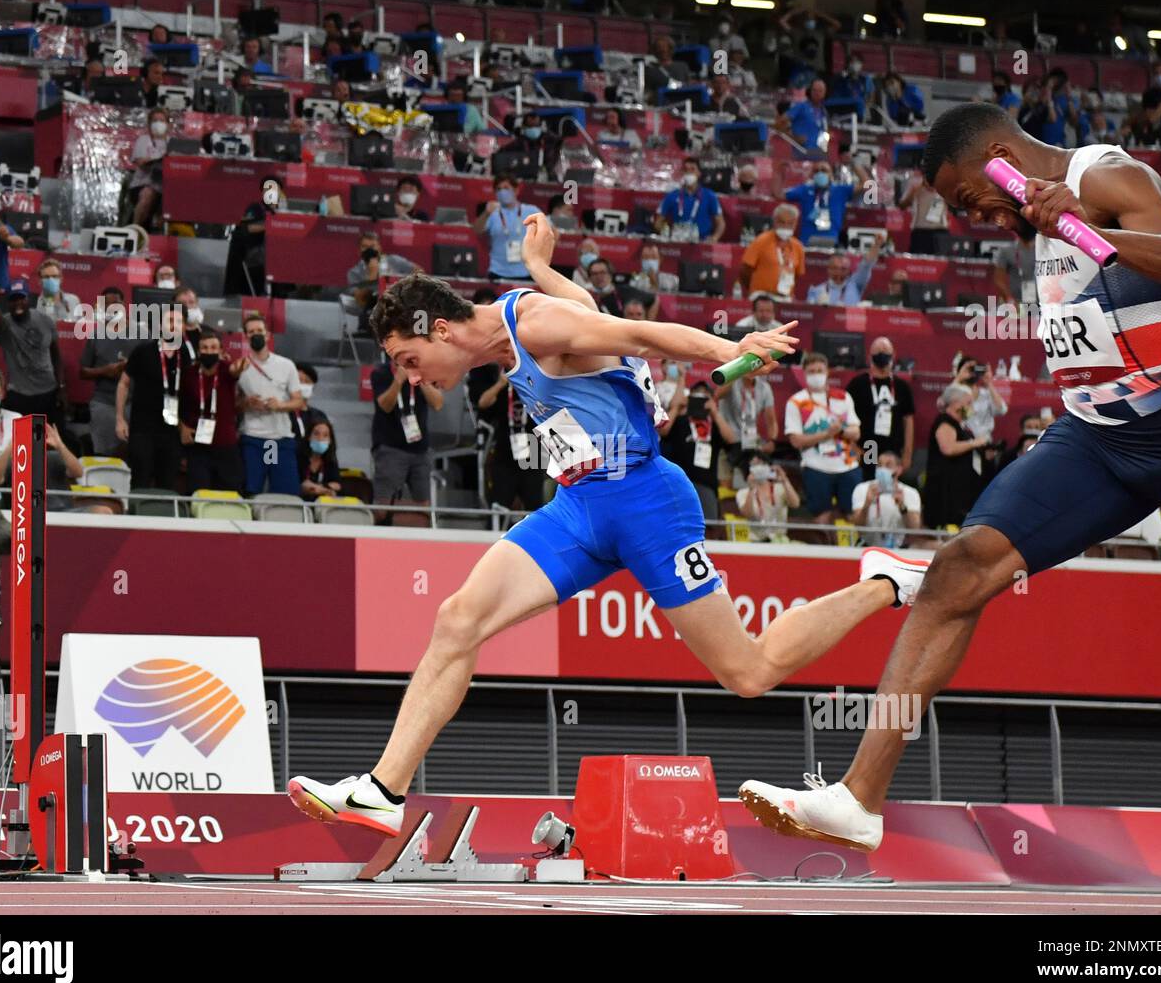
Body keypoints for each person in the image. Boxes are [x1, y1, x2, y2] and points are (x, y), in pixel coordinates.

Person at [285, 214, 928, 835]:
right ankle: (382, 792)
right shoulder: (520, 318)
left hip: (647, 501)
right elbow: (586, 308)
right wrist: (540, 264)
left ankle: (883, 582)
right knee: (459, 617)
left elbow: (640, 335)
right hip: (579, 506)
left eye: (408, 358)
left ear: (443, 330)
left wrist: (730, 348)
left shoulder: (533, 324)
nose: (412, 375)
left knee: (750, 674)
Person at [740, 100, 1161, 851]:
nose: (977, 219)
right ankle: (858, 799)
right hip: (1094, 437)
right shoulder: (1036, 217)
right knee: (957, 571)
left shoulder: (1102, 174)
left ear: (1003, 154)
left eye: (971, 198)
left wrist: (1090, 230)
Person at [783, 352, 862, 524]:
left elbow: (856, 432)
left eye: (820, 370)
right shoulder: (796, 402)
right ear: (804, 374)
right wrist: (826, 434)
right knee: (822, 516)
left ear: (827, 372)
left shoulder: (843, 396)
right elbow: (796, 440)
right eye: (812, 371)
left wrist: (839, 430)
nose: (816, 375)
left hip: (847, 466)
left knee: (853, 515)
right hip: (815, 467)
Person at [116, 304, 185, 492]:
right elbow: (123, 383)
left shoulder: (188, 354)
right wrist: (120, 419)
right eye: (170, 321)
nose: (174, 326)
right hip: (142, 429)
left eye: (179, 321)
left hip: (172, 432)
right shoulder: (143, 350)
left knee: (168, 483)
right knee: (140, 480)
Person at [370, 352, 444, 519]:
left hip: (420, 449)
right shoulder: (381, 373)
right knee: (382, 506)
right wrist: (398, 380)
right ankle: (380, 535)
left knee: (423, 504)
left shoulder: (425, 373)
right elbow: (385, 406)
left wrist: (419, 378)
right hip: (390, 446)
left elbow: (438, 403)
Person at [237, 314, 304, 496]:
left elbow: (299, 400)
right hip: (252, 438)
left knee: (283, 492)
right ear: (245, 336)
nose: (256, 334)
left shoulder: (286, 365)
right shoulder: (239, 367)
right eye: (251, 332)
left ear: (268, 335)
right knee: (252, 490)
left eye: (259, 330)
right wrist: (247, 403)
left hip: (278, 440)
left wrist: (280, 405)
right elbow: (233, 403)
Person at [469, 362, 546, 514]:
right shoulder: (489, 375)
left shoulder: (531, 375)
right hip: (505, 447)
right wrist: (501, 383)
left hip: (534, 449)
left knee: (535, 504)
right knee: (499, 503)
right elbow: (482, 402)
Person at [661, 377, 736, 529]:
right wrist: (676, 408)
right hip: (680, 484)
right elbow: (663, 430)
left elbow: (731, 439)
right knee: (677, 526)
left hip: (707, 486)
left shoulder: (714, 426)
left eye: (704, 397)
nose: (700, 401)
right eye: (696, 396)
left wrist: (714, 412)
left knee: (707, 529)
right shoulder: (681, 421)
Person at [0, 282, 64, 426]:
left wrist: (61, 386)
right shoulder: (4, 324)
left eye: (21, 298)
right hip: (19, 396)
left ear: (28, 299)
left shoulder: (45, 321)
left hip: (47, 392)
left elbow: (56, 355)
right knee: (22, 445)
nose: (18, 303)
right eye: (13, 299)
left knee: (45, 443)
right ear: (8, 302)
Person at [78, 286, 140, 456]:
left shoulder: (142, 333)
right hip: (104, 403)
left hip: (134, 404)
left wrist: (132, 366)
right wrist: (105, 371)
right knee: (104, 455)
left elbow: (152, 368)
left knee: (133, 455)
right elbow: (83, 372)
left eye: (116, 303)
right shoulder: (96, 335)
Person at [179, 328, 243, 492]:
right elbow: (179, 407)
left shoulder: (227, 369)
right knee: (198, 494)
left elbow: (235, 371)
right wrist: (182, 427)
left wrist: (240, 367)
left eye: (213, 348)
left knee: (229, 495)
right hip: (198, 445)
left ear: (221, 351)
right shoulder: (189, 374)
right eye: (205, 348)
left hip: (226, 444)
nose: (209, 351)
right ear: (199, 351)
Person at [920, 382, 987, 529]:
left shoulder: (963, 426)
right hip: (945, 492)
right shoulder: (945, 422)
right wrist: (974, 443)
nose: (971, 407)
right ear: (956, 403)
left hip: (961, 491)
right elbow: (948, 448)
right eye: (969, 403)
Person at [846, 338, 914, 477]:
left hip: (893, 448)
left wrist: (907, 454)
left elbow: (908, 421)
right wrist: (853, 447)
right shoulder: (857, 384)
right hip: (866, 448)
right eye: (878, 351)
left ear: (893, 355)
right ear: (869, 356)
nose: (882, 354)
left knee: (889, 490)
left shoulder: (902, 386)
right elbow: (845, 417)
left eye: (885, 351)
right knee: (866, 488)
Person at [474, 173, 539, 282]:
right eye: (498, 189)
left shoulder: (531, 211)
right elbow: (477, 230)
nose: (502, 192)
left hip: (526, 272)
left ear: (516, 190)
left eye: (506, 188)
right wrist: (486, 213)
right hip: (498, 271)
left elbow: (551, 232)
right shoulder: (492, 212)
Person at [850, 450, 920, 548]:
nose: (882, 469)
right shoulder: (862, 489)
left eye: (888, 465)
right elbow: (858, 527)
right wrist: (867, 504)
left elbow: (915, 529)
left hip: (899, 549)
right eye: (879, 465)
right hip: (867, 547)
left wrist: (902, 506)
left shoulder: (910, 493)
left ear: (899, 470)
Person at [739, 204, 805, 300]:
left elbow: (797, 275)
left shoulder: (798, 246)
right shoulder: (761, 241)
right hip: (761, 295)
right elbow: (745, 269)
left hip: (785, 297)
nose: (786, 226)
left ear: (796, 224)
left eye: (790, 223)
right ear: (774, 221)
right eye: (782, 222)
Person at [654, 157, 725, 244]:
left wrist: (714, 238)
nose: (689, 172)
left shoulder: (710, 196)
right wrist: (666, 233)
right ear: (682, 173)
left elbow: (721, 223)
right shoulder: (671, 196)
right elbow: (658, 222)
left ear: (699, 173)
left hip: (702, 243)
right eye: (686, 169)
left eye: (692, 169)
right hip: (677, 242)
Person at [736, 451, 800, 542]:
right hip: (756, 542)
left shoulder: (780, 488)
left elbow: (795, 504)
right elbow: (748, 514)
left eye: (762, 463)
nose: (759, 467)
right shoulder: (743, 493)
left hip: (780, 541)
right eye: (755, 465)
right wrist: (751, 489)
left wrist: (784, 480)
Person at [785, 160, 852, 247]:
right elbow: (778, 194)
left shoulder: (840, 190)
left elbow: (865, 184)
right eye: (816, 171)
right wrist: (778, 173)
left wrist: (854, 162)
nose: (820, 174)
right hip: (806, 242)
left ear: (831, 174)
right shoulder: (805, 190)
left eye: (824, 170)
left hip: (831, 242)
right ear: (812, 175)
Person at [805, 235, 884, 306]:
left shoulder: (855, 284)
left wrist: (876, 245)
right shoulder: (817, 291)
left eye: (843, 269)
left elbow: (867, 264)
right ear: (828, 270)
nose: (838, 272)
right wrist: (819, 307)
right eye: (835, 268)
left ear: (848, 271)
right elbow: (811, 315)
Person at [953, 355, 1007, 443]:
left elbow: (1001, 410)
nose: (971, 373)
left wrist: (989, 383)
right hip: (961, 442)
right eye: (967, 369)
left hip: (984, 444)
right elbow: (961, 415)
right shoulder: (954, 394)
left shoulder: (986, 394)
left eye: (973, 369)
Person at [130, 108, 170, 231]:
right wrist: (158, 159)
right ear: (149, 124)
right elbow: (141, 162)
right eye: (155, 120)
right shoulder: (143, 140)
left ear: (167, 124)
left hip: (165, 188)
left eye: (162, 120)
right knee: (148, 193)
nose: (158, 123)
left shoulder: (171, 143)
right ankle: (135, 230)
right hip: (143, 185)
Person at [498, 111, 562, 181]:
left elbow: (556, 150)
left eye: (536, 126)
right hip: (523, 177)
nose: (533, 128)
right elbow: (501, 155)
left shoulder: (550, 140)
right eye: (530, 126)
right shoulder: (519, 142)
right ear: (523, 127)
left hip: (546, 177)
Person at [898, 171, 948, 256]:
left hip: (940, 232)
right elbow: (902, 206)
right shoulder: (916, 187)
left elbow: (957, 206)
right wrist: (913, 192)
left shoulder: (945, 186)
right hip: (920, 232)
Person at [299, 419, 342, 500]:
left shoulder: (330, 460)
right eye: (316, 434)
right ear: (309, 437)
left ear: (330, 441)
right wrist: (325, 490)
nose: (320, 438)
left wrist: (320, 488)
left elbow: (337, 485)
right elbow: (303, 485)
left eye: (325, 435)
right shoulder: (299, 457)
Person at [786, 78, 829, 150]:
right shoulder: (801, 106)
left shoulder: (824, 112)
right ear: (810, 91)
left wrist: (823, 151)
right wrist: (794, 137)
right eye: (814, 90)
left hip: (816, 154)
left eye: (820, 91)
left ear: (825, 93)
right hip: (800, 154)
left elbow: (824, 135)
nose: (817, 93)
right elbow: (779, 123)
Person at [34, 258, 82, 322]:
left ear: (61, 279)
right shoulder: (35, 305)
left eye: (54, 276)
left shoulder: (74, 300)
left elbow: (81, 329)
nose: (51, 280)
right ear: (40, 280)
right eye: (46, 277)